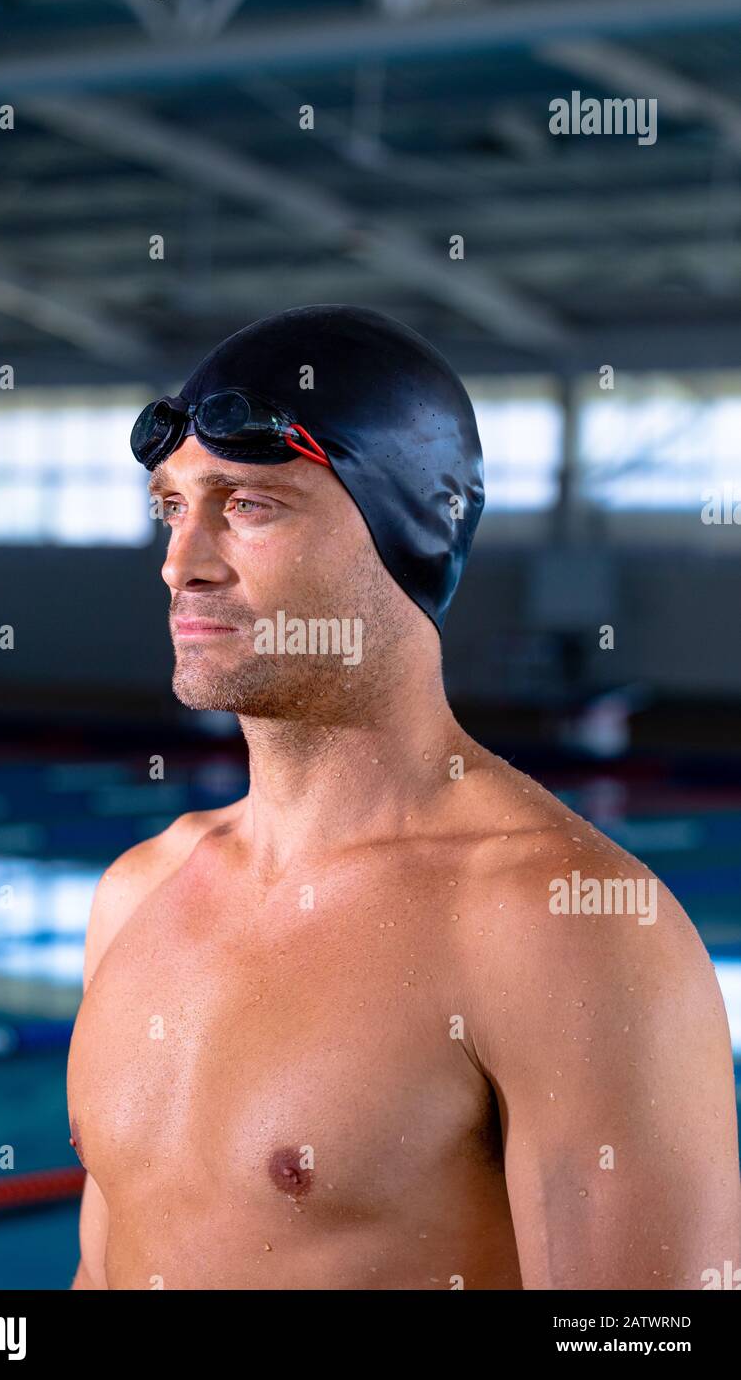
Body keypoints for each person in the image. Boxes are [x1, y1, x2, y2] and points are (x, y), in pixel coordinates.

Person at [67, 305, 739, 1290]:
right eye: (173, 506)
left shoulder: (564, 927)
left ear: (412, 526)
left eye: (248, 504)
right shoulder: (137, 894)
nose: (182, 561)